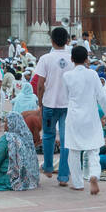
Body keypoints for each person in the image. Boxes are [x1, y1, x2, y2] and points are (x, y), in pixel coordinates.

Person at [62, 44, 106, 194]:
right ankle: (94, 175)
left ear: (71, 59)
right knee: (93, 150)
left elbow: (65, 98)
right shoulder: (93, 74)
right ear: (86, 59)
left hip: (74, 116)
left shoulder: (67, 76)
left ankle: (77, 183)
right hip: (91, 115)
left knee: (74, 151)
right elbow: (102, 97)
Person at [33, 26, 72, 181]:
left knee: (48, 135)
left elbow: (40, 84)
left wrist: (40, 102)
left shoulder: (45, 58)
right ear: (67, 40)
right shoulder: (72, 58)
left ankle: (48, 168)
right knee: (66, 139)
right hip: (67, 105)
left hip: (49, 103)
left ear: (52, 40)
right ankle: (63, 176)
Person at [0, 111, 41, 192]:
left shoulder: (7, 139)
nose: (4, 125)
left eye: (6, 122)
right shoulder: (27, 136)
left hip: (9, 177)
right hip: (28, 177)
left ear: (11, 123)